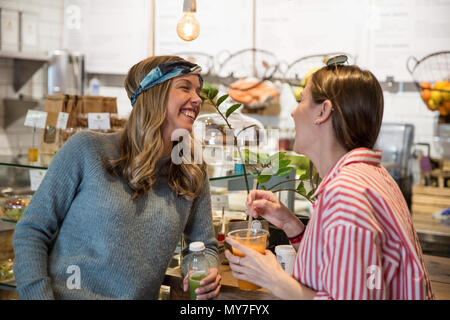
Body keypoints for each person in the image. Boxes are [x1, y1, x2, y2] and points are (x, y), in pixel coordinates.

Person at [13, 55, 221, 300]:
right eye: (185, 87)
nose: (197, 99)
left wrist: (205, 270)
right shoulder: (87, 150)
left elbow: (204, 245)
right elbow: (31, 232)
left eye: (198, 91)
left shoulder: (190, 169)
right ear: (153, 94)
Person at [225, 58, 434, 300]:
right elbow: (340, 272)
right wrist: (291, 225)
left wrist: (273, 278)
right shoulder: (370, 175)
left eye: (301, 100)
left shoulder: (347, 193)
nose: (293, 112)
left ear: (323, 111)